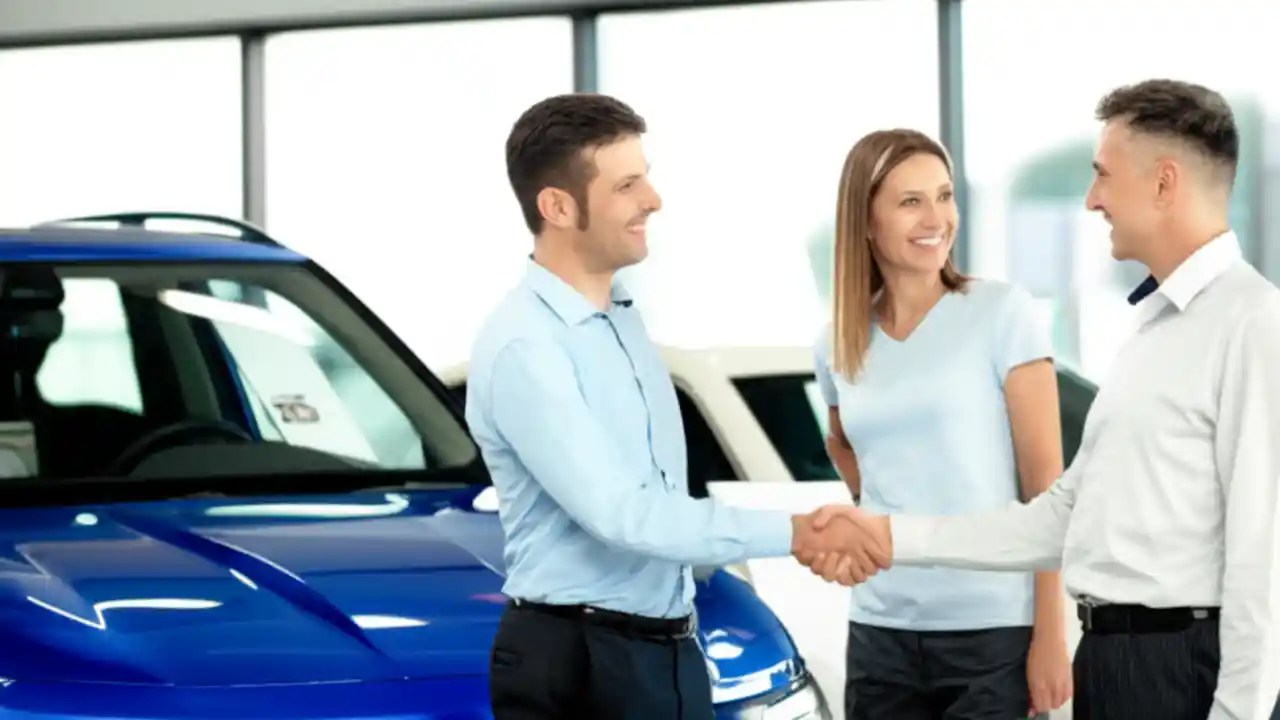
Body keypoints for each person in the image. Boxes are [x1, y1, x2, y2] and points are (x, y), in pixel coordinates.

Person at [806, 79, 1280, 720]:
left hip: (1179, 662)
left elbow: (1266, 558)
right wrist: (888, 536)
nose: (1091, 200)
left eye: (1103, 176)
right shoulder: (1154, 330)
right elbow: (1060, 518)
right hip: (1114, 662)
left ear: (1164, 183)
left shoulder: (1252, 322)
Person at [465, 92, 886, 720]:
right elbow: (626, 517)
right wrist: (796, 532)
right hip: (582, 661)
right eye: (627, 184)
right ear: (556, 206)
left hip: (662, 647)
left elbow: (664, 500)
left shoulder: (622, 315)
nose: (653, 200)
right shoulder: (525, 347)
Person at [812, 128, 1072, 720]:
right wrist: (868, 510)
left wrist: (1049, 637)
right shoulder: (835, 343)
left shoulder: (1002, 313)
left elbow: (1046, 492)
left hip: (993, 633)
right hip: (881, 632)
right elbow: (843, 445)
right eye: (911, 201)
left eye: (945, 195)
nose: (937, 217)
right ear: (866, 220)